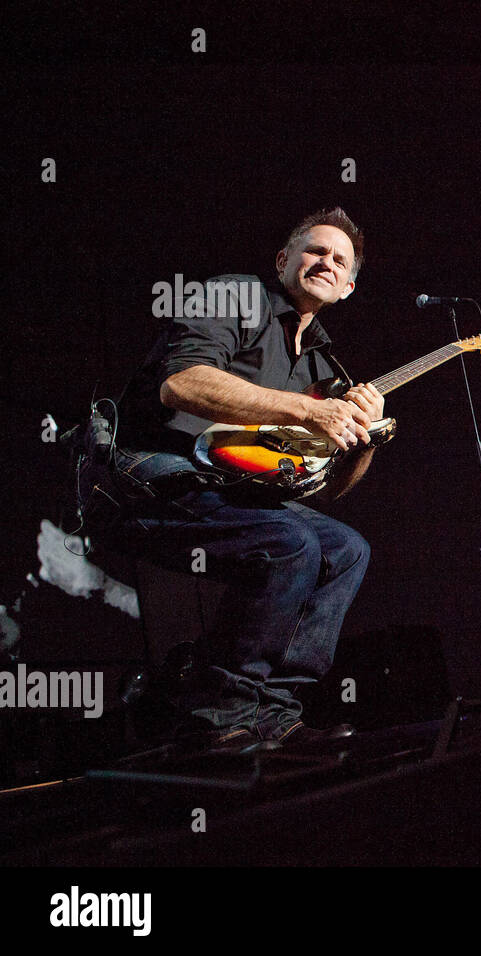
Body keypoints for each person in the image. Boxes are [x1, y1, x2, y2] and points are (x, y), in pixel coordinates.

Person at [88, 207, 382, 754]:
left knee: (344, 549)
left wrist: (362, 442)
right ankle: (216, 715)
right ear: (283, 260)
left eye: (340, 261)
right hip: (143, 471)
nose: (326, 262)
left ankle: (273, 714)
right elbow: (181, 383)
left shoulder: (324, 369)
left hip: (222, 484)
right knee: (288, 543)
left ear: (347, 287)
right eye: (315, 250)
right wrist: (308, 412)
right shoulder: (237, 295)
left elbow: (318, 490)